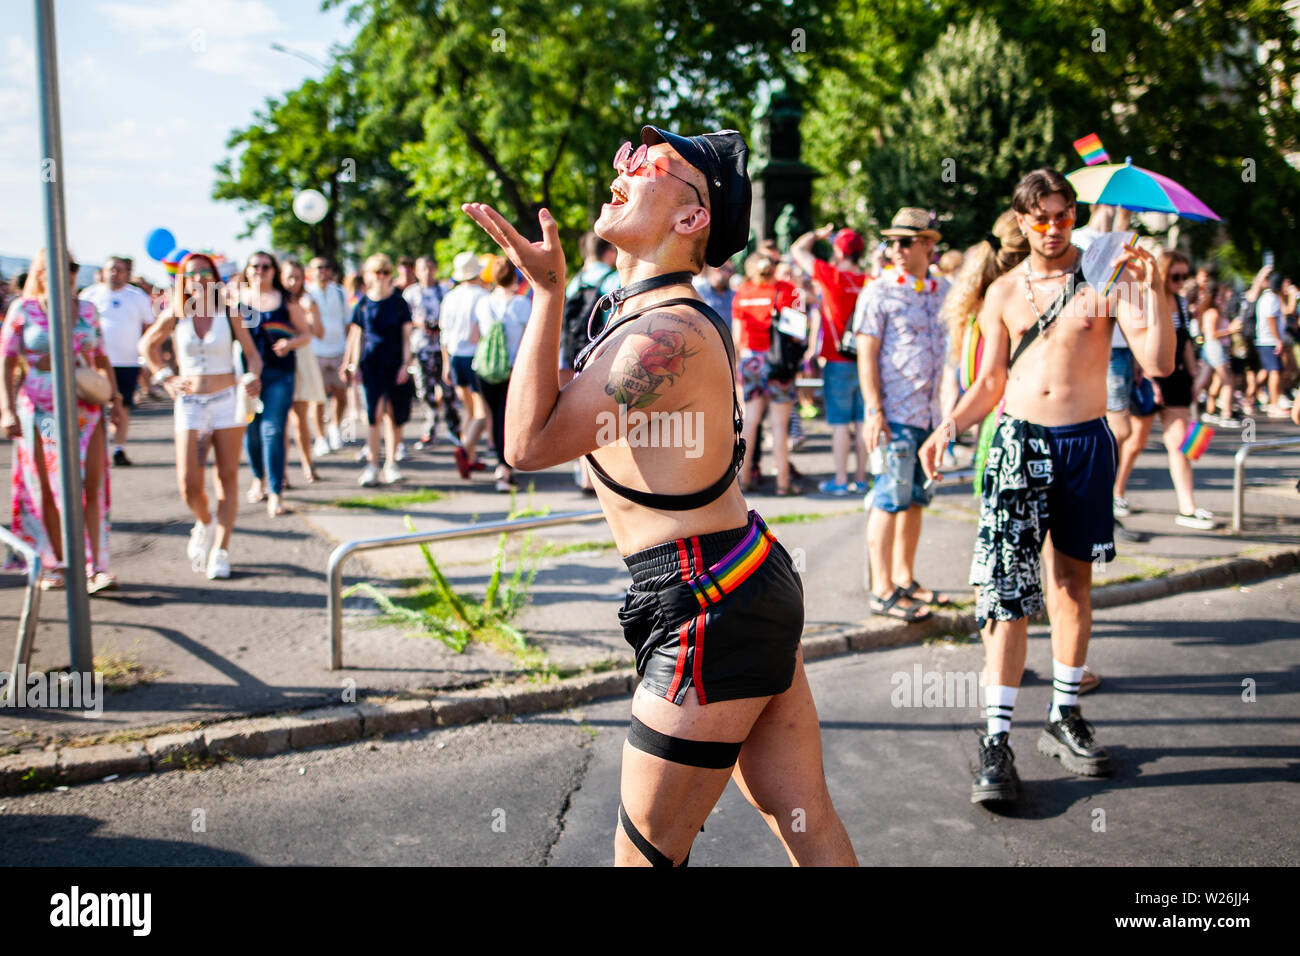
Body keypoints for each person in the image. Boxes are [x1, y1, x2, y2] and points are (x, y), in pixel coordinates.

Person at [463, 125, 855, 867]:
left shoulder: (664, 332)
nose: (625, 164)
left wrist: (545, 290)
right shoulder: (646, 318)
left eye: (654, 163)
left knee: (645, 857)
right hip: (739, 579)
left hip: (710, 601)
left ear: (691, 217)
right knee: (804, 823)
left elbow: (526, 446)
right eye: (628, 156)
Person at [918, 169, 1174, 805]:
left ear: (1073, 218)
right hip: (1019, 447)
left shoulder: (1106, 279)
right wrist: (949, 424)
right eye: (1041, 217)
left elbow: (1160, 361)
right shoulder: (1003, 292)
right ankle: (997, 739)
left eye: (1063, 216)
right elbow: (989, 381)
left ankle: (1064, 713)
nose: (1053, 227)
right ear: (1022, 220)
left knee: (1072, 584)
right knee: (1007, 594)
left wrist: (1157, 287)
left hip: (1086, 444)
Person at [1, 248, 120, 592]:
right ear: (41, 271)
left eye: (72, 266)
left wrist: (115, 398)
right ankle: (57, 562)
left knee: (92, 487)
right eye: (60, 266)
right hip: (41, 411)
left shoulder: (86, 309)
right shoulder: (23, 309)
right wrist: (7, 409)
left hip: (85, 408)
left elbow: (101, 357)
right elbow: (6, 364)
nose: (68, 272)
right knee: (50, 488)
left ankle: (96, 565)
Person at [853, 208, 950, 622]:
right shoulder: (879, 291)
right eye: (891, 242)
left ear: (929, 244)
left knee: (914, 502)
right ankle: (882, 588)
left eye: (905, 242)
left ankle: (906, 579)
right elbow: (866, 356)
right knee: (888, 501)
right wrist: (874, 411)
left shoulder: (943, 290)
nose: (896, 249)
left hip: (929, 416)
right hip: (894, 414)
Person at [141, 253, 263, 579]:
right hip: (191, 403)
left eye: (204, 272)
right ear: (183, 278)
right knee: (189, 484)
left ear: (214, 276)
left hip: (227, 402)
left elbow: (253, 356)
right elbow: (146, 346)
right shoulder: (176, 313)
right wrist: (164, 377)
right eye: (192, 273)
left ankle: (221, 550)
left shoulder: (230, 311)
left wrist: (252, 378)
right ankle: (205, 523)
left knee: (226, 477)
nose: (198, 278)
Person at [1111, 251, 1215, 530]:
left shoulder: (1181, 303)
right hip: (1148, 379)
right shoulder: (1146, 299)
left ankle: (1187, 507)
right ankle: (1117, 491)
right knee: (1136, 442)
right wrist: (1149, 379)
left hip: (1177, 378)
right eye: (1175, 276)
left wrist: (1194, 378)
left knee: (1180, 443)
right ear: (1163, 273)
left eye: (1184, 276)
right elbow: (1139, 343)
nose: (1180, 282)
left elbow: (1186, 344)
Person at [791, 225, 869, 495]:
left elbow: (797, 250)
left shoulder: (831, 276)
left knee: (839, 425)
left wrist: (817, 234)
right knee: (862, 424)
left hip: (837, 361)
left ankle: (839, 479)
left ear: (838, 249)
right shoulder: (871, 281)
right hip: (867, 362)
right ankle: (861, 479)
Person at [239, 251, 313, 516]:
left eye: (266, 266)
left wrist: (290, 343)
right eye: (255, 266)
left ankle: (276, 492)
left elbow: (306, 333)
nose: (260, 270)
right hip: (248, 378)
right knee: (253, 432)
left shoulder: (286, 300)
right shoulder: (236, 303)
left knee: (272, 430)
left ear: (274, 271)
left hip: (280, 374)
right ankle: (258, 478)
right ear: (247, 270)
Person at [732, 252, 802, 495]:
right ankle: (783, 483)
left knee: (750, 421)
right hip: (778, 363)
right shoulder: (788, 290)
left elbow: (737, 336)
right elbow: (797, 333)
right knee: (779, 426)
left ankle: (745, 479)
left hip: (751, 360)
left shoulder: (742, 293)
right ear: (773, 268)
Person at [343, 253, 413, 486]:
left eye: (386, 272)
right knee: (373, 415)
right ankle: (372, 464)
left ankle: (391, 462)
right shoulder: (363, 303)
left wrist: (406, 364)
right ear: (369, 275)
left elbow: (406, 337)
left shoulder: (399, 302)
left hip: (395, 363)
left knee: (394, 415)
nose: (382, 277)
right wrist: (351, 364)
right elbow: (356, 336)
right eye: (377, 273)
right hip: (371, 364)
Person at [79, 255, 153, 466]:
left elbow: (149, 327)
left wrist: (144, 358)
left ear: (126, 273)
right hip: (95, 364)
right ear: (103, 272)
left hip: (127, 362)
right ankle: (98, 448)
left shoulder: (137, 296)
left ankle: (118, 448)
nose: (115, 273)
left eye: (120, 269)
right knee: (97, 406)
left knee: (123, 406)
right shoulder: (90, 295)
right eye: (111, 269)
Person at [471, 257, 530, 491]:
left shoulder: (483, 303)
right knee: (507, 418)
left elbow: (474, 337)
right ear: (514, 276)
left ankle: (499, 462)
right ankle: (504, 469)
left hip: (484, 367)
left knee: (492, 416)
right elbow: (529, 338)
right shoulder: (522, 304)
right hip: (512, 368)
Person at [440, 251, 490, 478]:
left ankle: (469, 455)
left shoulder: (450, 296)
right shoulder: (482, 296)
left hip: (454, 356)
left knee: (467, 410)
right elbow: (482, 330)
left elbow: (444, 333)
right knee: (482, 412)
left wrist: (445, 364)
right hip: (475, 356)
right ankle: (465, 449)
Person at [403, 255, 459, 449]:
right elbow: (405, 321)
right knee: (425, 391)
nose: (427, 272)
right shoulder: (410, 293)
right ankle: (430, 430)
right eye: (422, 268)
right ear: (416, 272)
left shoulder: (444, 291)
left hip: (443, 348)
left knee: (449, 390)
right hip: (421, 348)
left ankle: (454, 428)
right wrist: (420, 323)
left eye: (429, 267)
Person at [282, 259, 326, 484]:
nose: (292, 282)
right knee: (280, 420)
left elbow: (319, 333)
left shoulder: (308, 300)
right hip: (279, 361)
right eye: (289, 276)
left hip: (302, 358)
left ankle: (308, 464)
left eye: (297, 278)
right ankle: (281, 473)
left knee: (300, 418)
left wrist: (312, 313)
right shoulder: (274, 301)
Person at [306, 257, 350, 454]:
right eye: (318, 268)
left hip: (339, 349)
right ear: (311, 271)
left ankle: (335, 427)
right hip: (316, 351)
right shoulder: (306, 293)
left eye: (325, 267)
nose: (322, 271)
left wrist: (349, 352)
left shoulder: (340, 292)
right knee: (318, 397)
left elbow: (348, 322)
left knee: (341, 394)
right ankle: (320, 437)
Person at [1196, 281, 1240, 427]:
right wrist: (1231, 330)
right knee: (1227, 381)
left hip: (1214, 348)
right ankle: (1226, 414)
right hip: (1214, 347)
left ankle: (1209, 409)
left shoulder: (1214, 311)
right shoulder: (1213, 312)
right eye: (1219, 297)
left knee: (1210, 380)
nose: (1222, 299)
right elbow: (1211, 334)